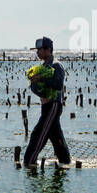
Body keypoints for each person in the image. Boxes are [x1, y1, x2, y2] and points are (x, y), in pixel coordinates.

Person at [23, 36, 71, 167]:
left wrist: (40, 80)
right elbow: (37, 89)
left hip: (53, 105)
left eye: (40, 49)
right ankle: (65, 162)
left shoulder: (56, 66)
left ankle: (29, 162)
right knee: (56, 137)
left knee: (38, 134)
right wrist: (34, 82)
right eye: (37, 50)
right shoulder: (43, 67)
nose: (37, 52)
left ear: (48, 50)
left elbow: (57, 84)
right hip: (46, 106)